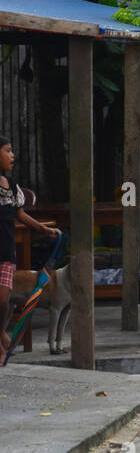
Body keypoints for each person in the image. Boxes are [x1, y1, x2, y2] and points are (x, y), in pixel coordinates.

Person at [0, 138, 57, 357]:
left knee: (4, 301)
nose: (12, 155)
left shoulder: (12, 187)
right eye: (7, 151)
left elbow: (20, 214)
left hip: (6, 253)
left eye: (12, 151)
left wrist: (43, 229)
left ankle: (1, 335)